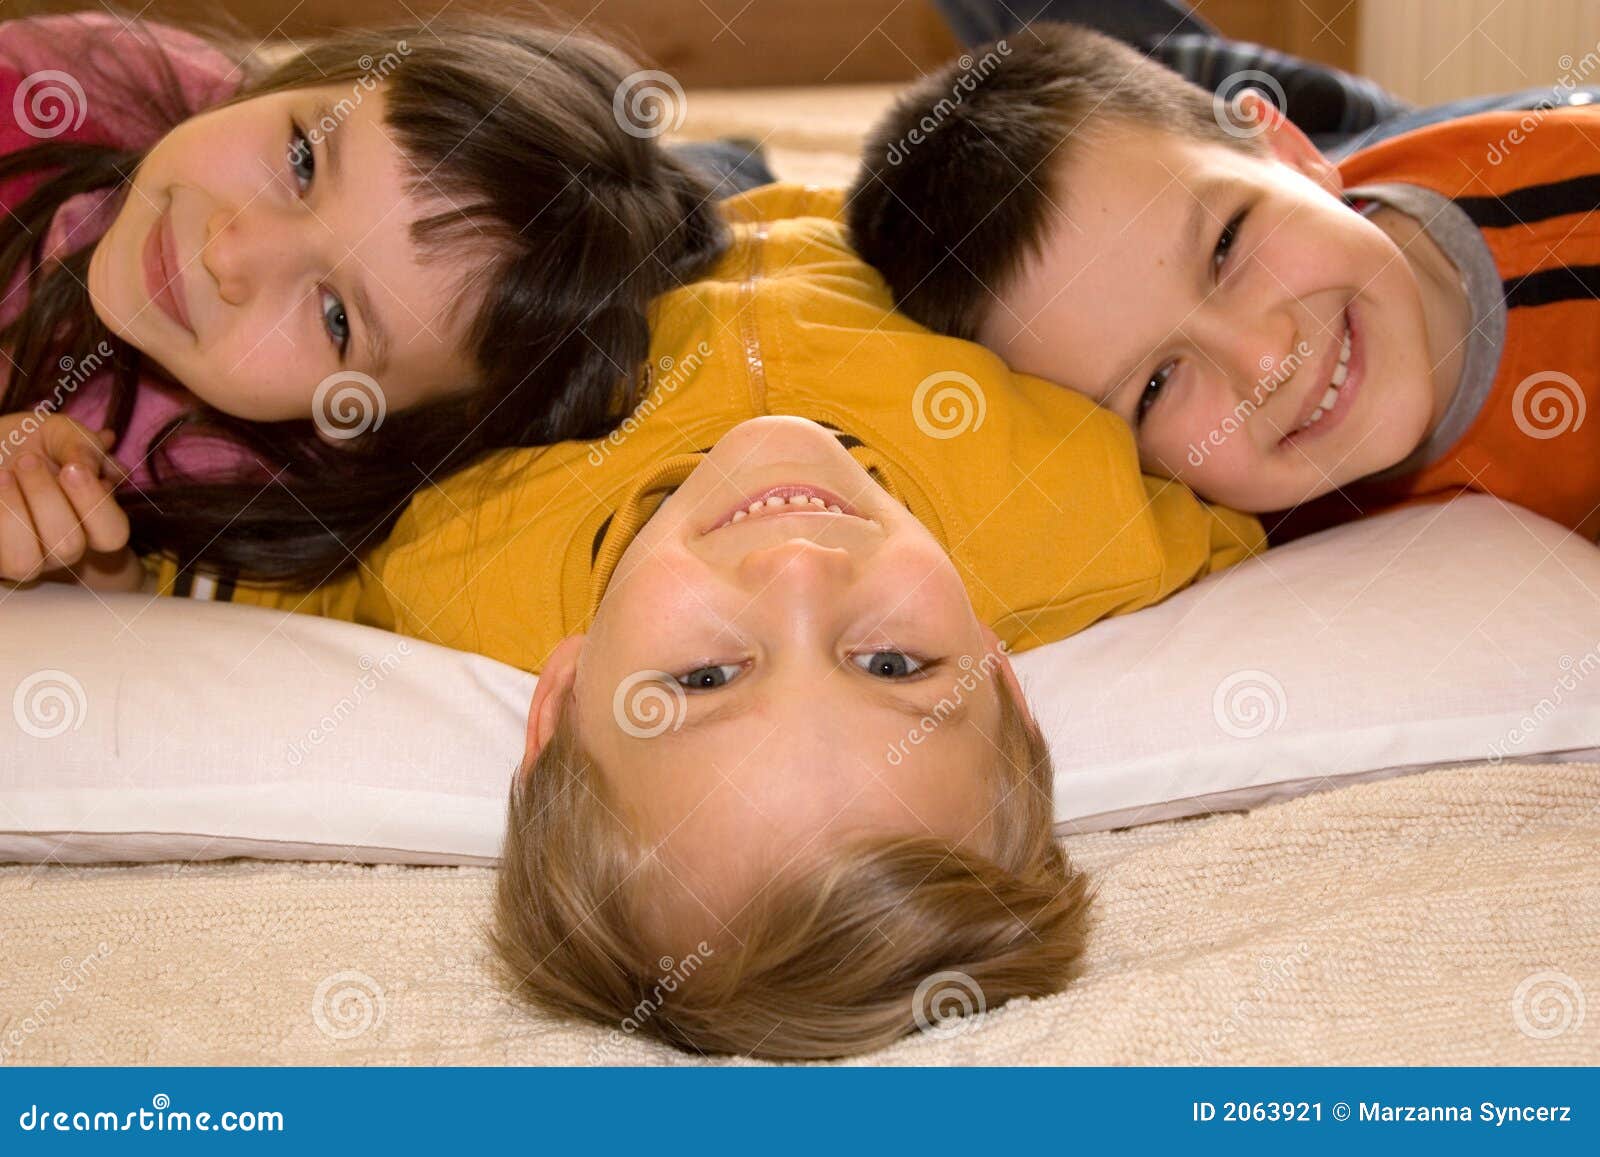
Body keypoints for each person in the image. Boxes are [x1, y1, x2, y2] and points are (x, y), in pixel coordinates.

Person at [204, 180, 1263, 1057]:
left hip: (613, 212)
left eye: (705, 679)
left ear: (563, 699)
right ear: (1001, 674)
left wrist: (76, 523)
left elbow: (236, 572)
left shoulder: (458, 574)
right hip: (890, 198)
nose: (799, 570)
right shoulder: (1091, 532)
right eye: (893, 662)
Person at [0, 11, 730, 590]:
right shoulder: (63, 85)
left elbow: (130, 618)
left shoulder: (251, 489)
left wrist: (74, 545)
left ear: (364, 424)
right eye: (301, 159)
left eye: (336, 318)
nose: (228, 252)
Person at [847, 22, 1600, 541]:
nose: (1265, 361)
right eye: (1156, 384)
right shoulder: (1196, 510)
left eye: (1226, 247)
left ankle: (1207, 67)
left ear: (1287, 147)